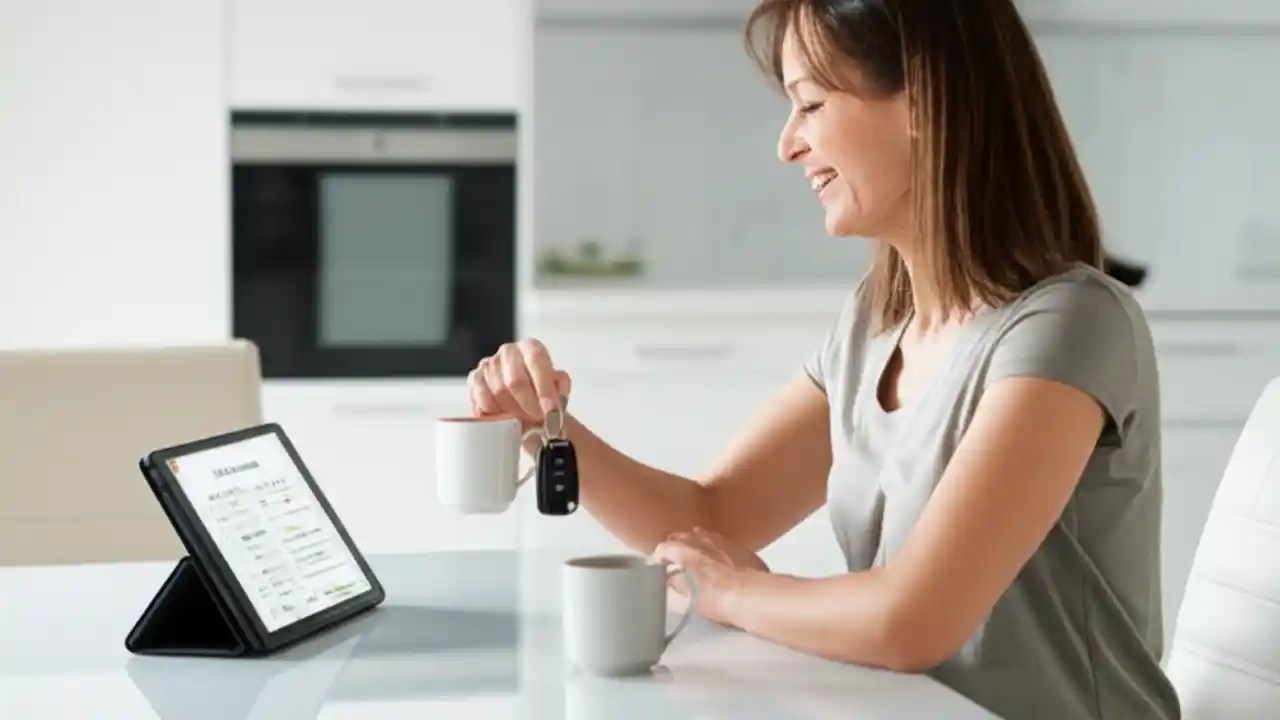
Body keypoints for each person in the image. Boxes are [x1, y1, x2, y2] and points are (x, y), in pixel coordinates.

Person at [466, 0, 1180, 717]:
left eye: (809, 103)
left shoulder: (1070, 325)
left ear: (925, 101)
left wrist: (735, 590)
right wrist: (548, 427)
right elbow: (717, 515)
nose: (787, 144)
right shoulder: (874, 324)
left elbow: (911, 622)